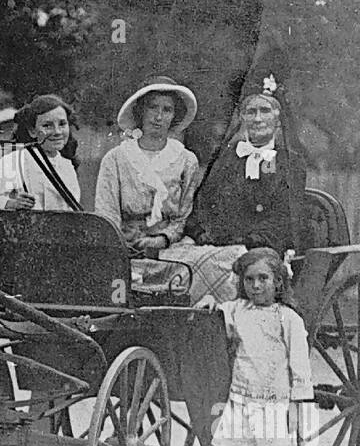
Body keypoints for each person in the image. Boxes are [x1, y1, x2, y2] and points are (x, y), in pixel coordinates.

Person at [94, 75, 247, 303]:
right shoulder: (116, 159)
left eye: (167, 110)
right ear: (140, 112)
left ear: (174, 116)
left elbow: (183, 215)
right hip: (126, 250)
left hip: (169, 249)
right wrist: (127, 245)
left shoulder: (186, 160)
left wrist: (164, 238)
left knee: (227, 259)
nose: (158, 117)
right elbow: (107, 215)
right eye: (152, 108)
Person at [207, 247, 313, 446]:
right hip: (244, 400)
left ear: (278, 282)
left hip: (275, 404)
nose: (256, 286)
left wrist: (297, 403)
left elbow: (300, 364)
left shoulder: (288, 319)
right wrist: (209, 306)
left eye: (263, 279)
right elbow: (215, 314)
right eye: (250, 279)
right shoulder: (237, 311)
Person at [188, 73, 307, 256]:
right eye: (251, 112)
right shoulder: (227, 157)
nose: (258, 119)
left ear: (278, 119)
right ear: (242, 118)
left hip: (267, 250)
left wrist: (248, 243)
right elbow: (203, 204)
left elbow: (284, 219)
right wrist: (203, 234)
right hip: (221, 248)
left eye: (265, 111)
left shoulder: (290, 162)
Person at [0, 94, 81, 212]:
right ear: (32, 131)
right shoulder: (16, 161)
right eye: (47, 125)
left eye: (62, 124)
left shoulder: (67, 166)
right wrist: (10, 203)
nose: (57, 132)